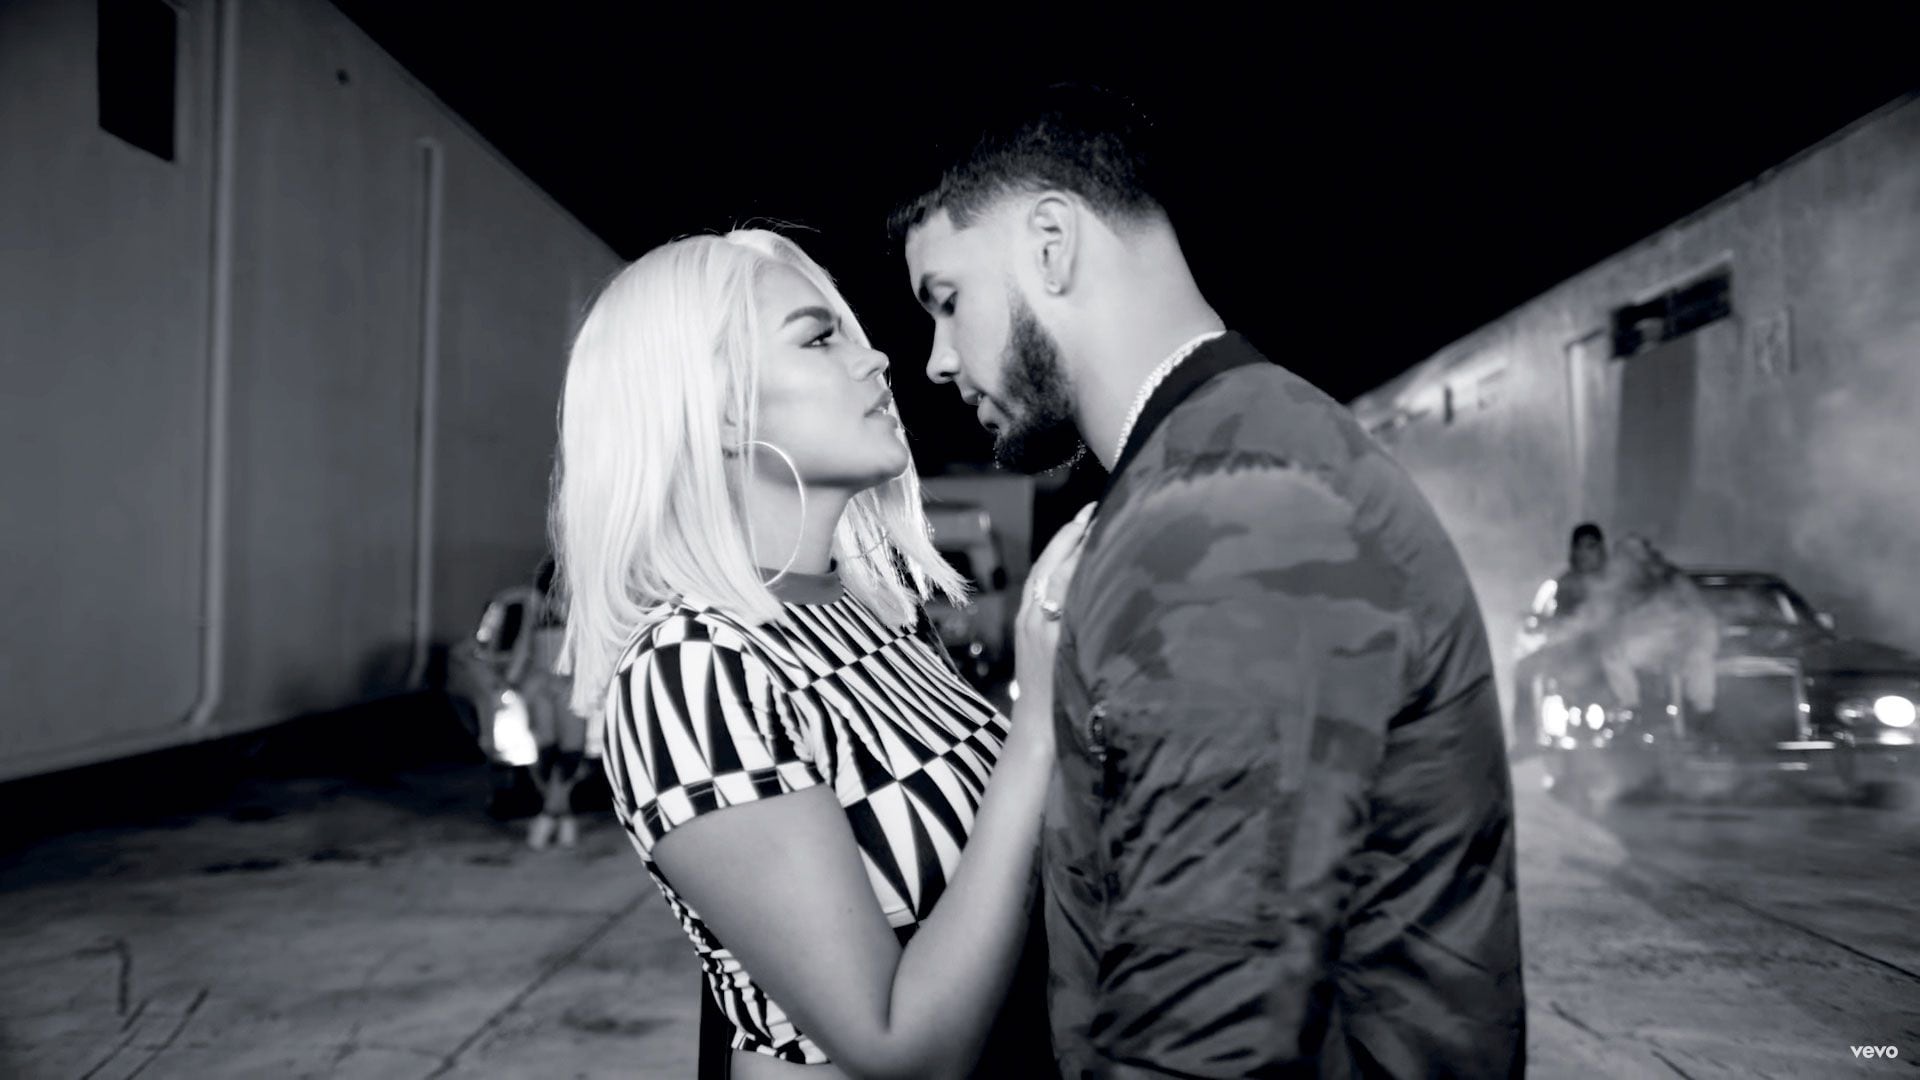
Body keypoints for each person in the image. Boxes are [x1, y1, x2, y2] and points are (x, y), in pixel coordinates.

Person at [892, 83, 1526, 1076]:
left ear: (1050, 244)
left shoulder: (1228, 515)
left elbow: (1203, 1045)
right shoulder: (1219, 462)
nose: (935, 360)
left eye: (947, 301)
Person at [549, 227, 1088, 1079]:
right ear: (723, 409)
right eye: (818, 338)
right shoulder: (691, 666)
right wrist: (1036, 727)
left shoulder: (875, 613)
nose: (877, 359)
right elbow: (903, 1052)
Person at [516, 556, 591, 849]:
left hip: (570, 685)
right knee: (546, 753)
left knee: (570, 754)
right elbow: (524, 644)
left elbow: (591, 646)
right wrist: (512, 680)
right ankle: (564, 816)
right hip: (540, 684)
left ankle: (548, 815)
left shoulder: (582, 606)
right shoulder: (534, 605)